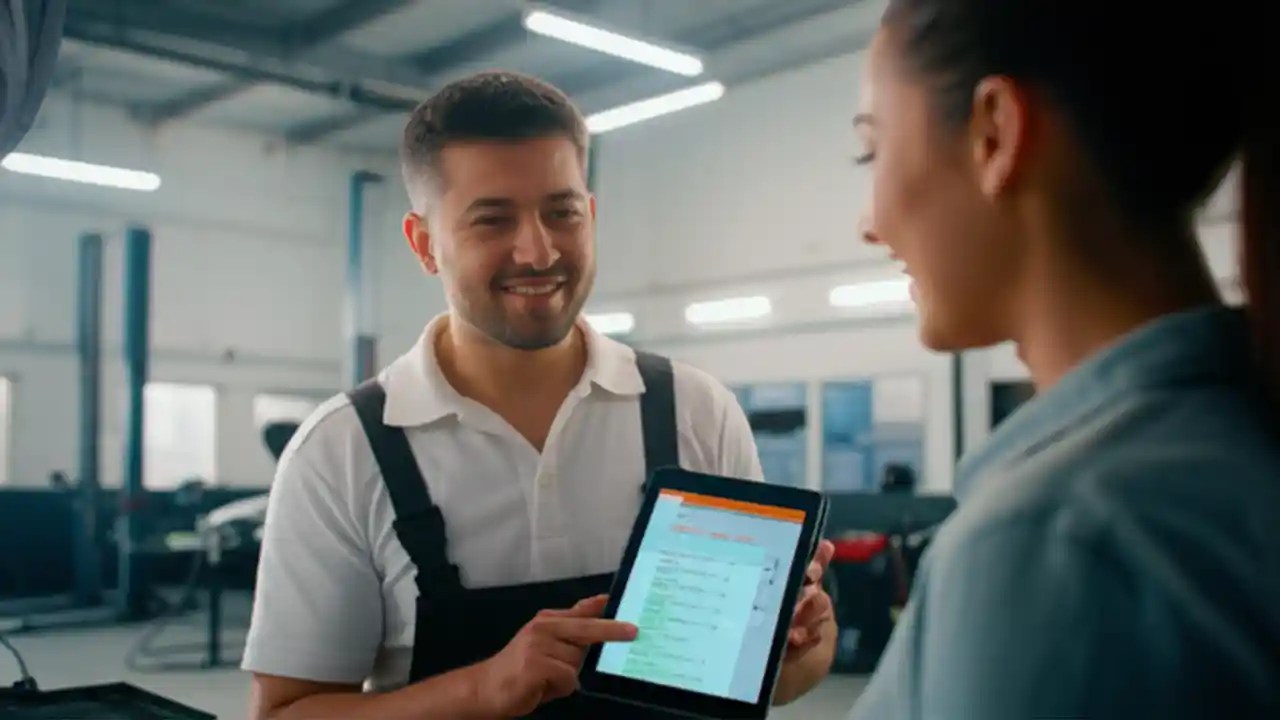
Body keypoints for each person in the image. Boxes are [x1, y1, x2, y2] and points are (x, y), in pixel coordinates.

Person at [243, 71, 837, 719]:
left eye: (562, 213)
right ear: (423, 244)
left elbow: (766, 680)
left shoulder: (696, 412)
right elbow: (282, 713)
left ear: (592, 214)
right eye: (492, 220)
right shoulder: (343, 452)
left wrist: (798, 650)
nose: (537, 250)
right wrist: (478, 691)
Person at [848, 1, 1278, 718]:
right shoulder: (1235, 440)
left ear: (995, 133)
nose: (869, 220)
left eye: (872, 150)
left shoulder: (1048, 543)